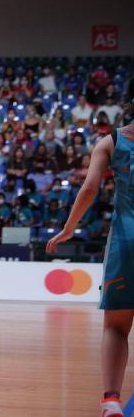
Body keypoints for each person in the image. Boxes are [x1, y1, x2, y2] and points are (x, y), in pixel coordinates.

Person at [46, 82, 134, 417]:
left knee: (116, 326)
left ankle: (111, 400)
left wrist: (69, 227)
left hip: (126, 240)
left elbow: (89, 188)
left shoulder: (111, 141)